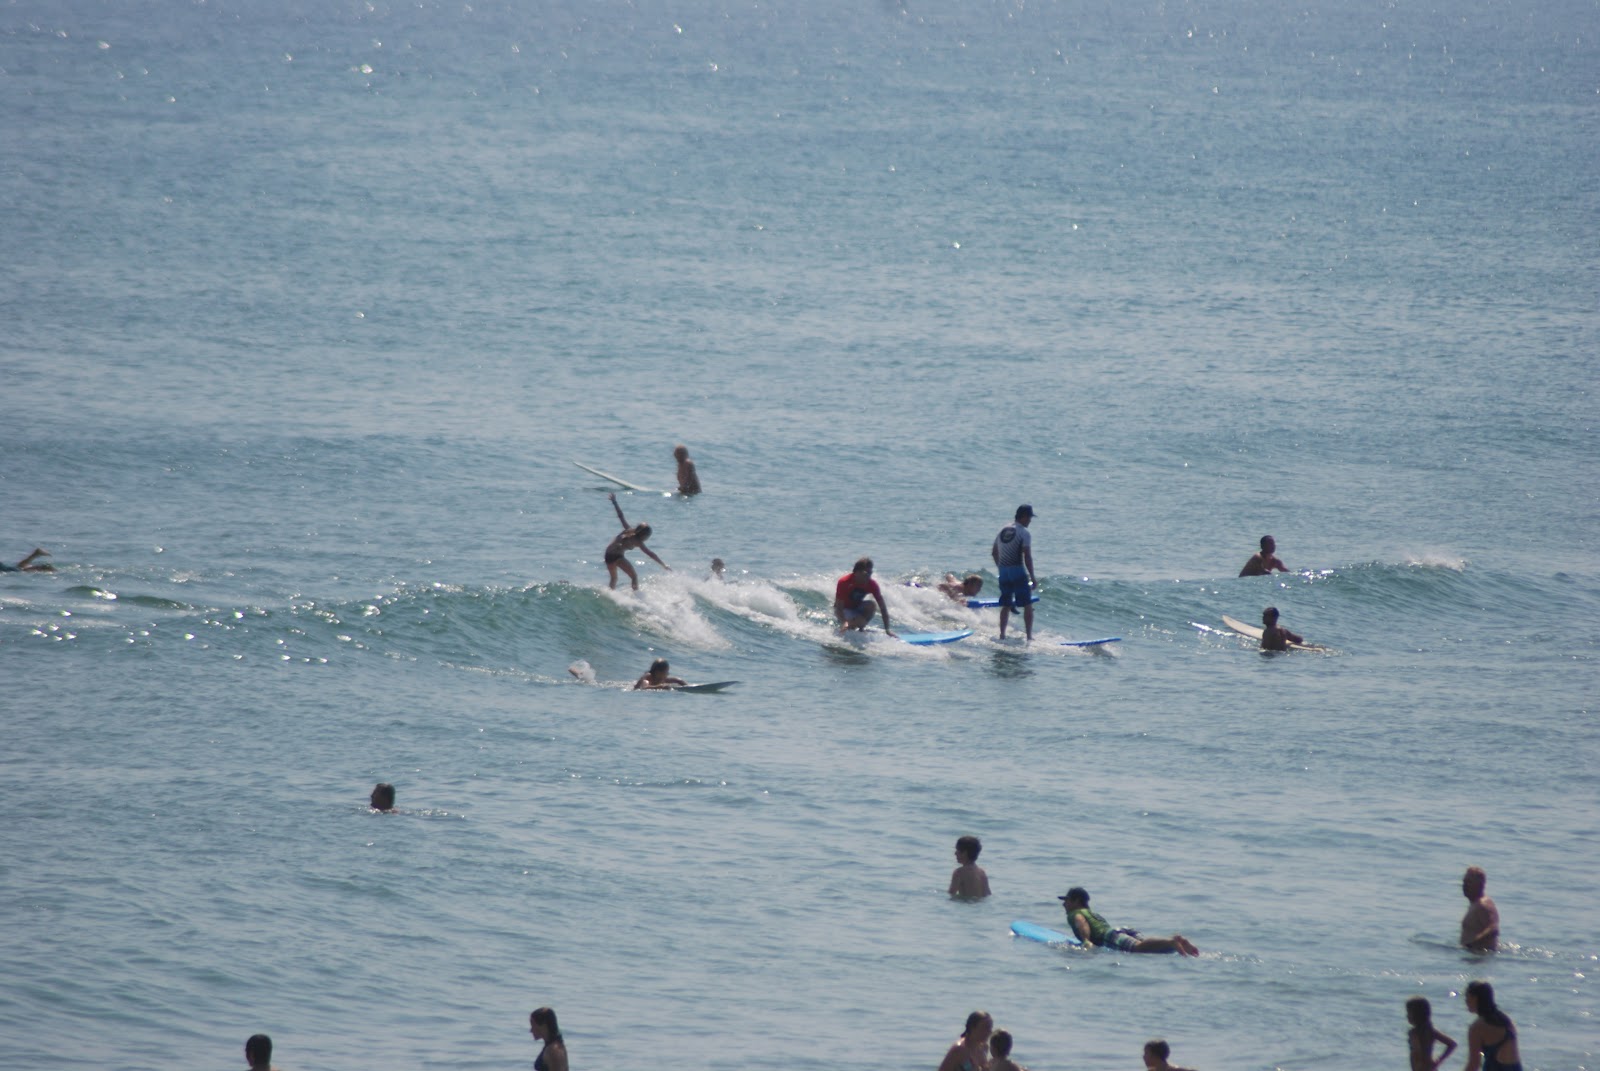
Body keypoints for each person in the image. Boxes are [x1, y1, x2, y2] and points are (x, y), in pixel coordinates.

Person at [1059, 886, 1199, 956]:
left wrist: (1086, 940)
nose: (1064, 904)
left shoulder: (1075, 913)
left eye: (1066, 900)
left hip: (1109, 936)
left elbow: (1080, 921)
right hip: (1119, 931)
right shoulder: (1091, 912)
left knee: (1138, 949)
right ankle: (1175, 944)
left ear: (1076, 901)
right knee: (1145, 947)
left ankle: (1172, 942)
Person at [604, 492, 670, 590]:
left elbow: (621, 516)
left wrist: (615, 502)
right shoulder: (638, 542)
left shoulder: (628, 530)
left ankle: (609, 594)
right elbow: (651, 554)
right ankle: (637, 596)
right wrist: (663, 565)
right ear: (644, 536)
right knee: (634, 577)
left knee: (614, 578)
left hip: (608, 554)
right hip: (617, 556)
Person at [991, 506, 1037, 640]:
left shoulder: (1002, 530)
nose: (1030, 521)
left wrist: (1001, 568)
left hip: (1004, 572)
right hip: (1017, 570)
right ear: (1023, 516)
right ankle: (1029, 636)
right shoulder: (1024, 533)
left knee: (1005, 604)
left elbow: (994, 552)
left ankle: (1002, 635)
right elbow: (1027, 556)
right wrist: (1033, 577)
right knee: (1027, 604)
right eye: (1029, 517)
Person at [1464, 981, 1521, 1071]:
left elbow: (1473, 1065)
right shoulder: (1506, 1021)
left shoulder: (1477, 1028)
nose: (1465, 1001)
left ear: (1475, 998)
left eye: (1467, 997)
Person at [834, 557, 895, 637]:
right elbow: (838, 608)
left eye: (870, 573)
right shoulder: (844, 582)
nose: (868, 576)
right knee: (853, 623)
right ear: (856, 572)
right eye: (866, 573)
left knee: (871, 605)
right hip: (844, 609)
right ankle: (849, 626)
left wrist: (887, 630)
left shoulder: (872, 585)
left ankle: (860, 628)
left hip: (856, 607)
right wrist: (844, 621)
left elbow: (883, 608)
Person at [1407, 996, 1458, 1071]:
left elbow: (1417, 1054)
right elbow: (1452, 1044)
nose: (1407, 1016)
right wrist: (1438, 1061)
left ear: (1417, 1014)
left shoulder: (1415, 1033)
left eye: (1409, 1013)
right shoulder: (1430, 1031)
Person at [1460, 866, 1500, 952]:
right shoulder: (1475, 904)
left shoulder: (1483, 904)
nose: (1464, 886)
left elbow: (1493, 928)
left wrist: (1472, 944)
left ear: (1480, 884)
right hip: (1473, 954)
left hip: (1480, 956)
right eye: (1464, 882)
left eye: (1469, 882)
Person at [530, 1006, 569, 1071]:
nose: (531, 1030)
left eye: (533, 1025)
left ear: (543, 1026)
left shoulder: (553, 1050)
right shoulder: (553, 1046)